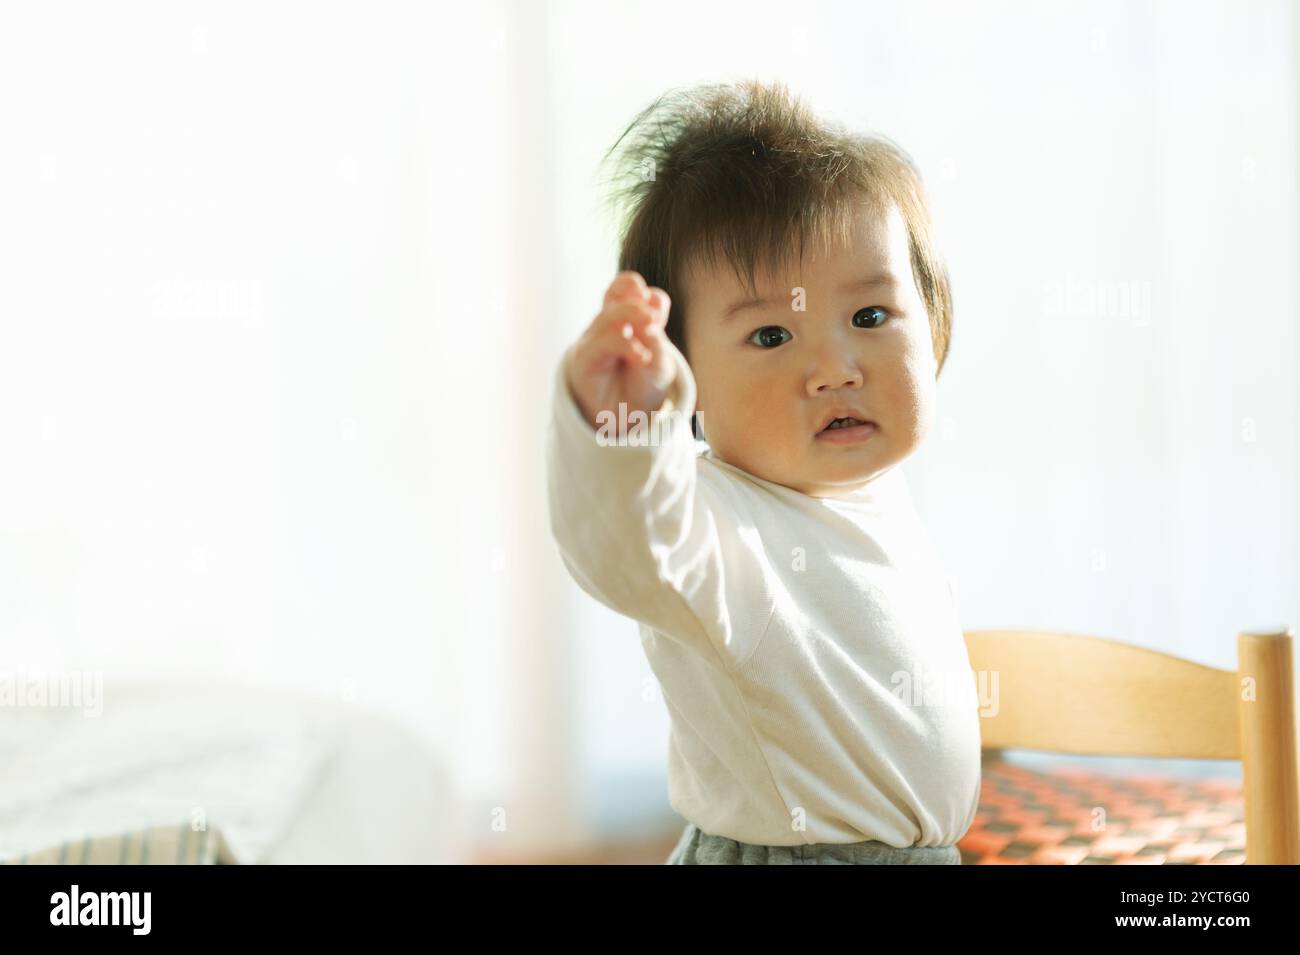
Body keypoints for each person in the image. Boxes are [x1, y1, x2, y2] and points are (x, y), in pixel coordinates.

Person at [546, 79, 980, 864]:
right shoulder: (718, 524)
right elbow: (627, 542)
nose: (834, 369)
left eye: (870, 317)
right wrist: (620, 421)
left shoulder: (875, 494)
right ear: (689, 377)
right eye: (773, 335)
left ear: (935, 320)